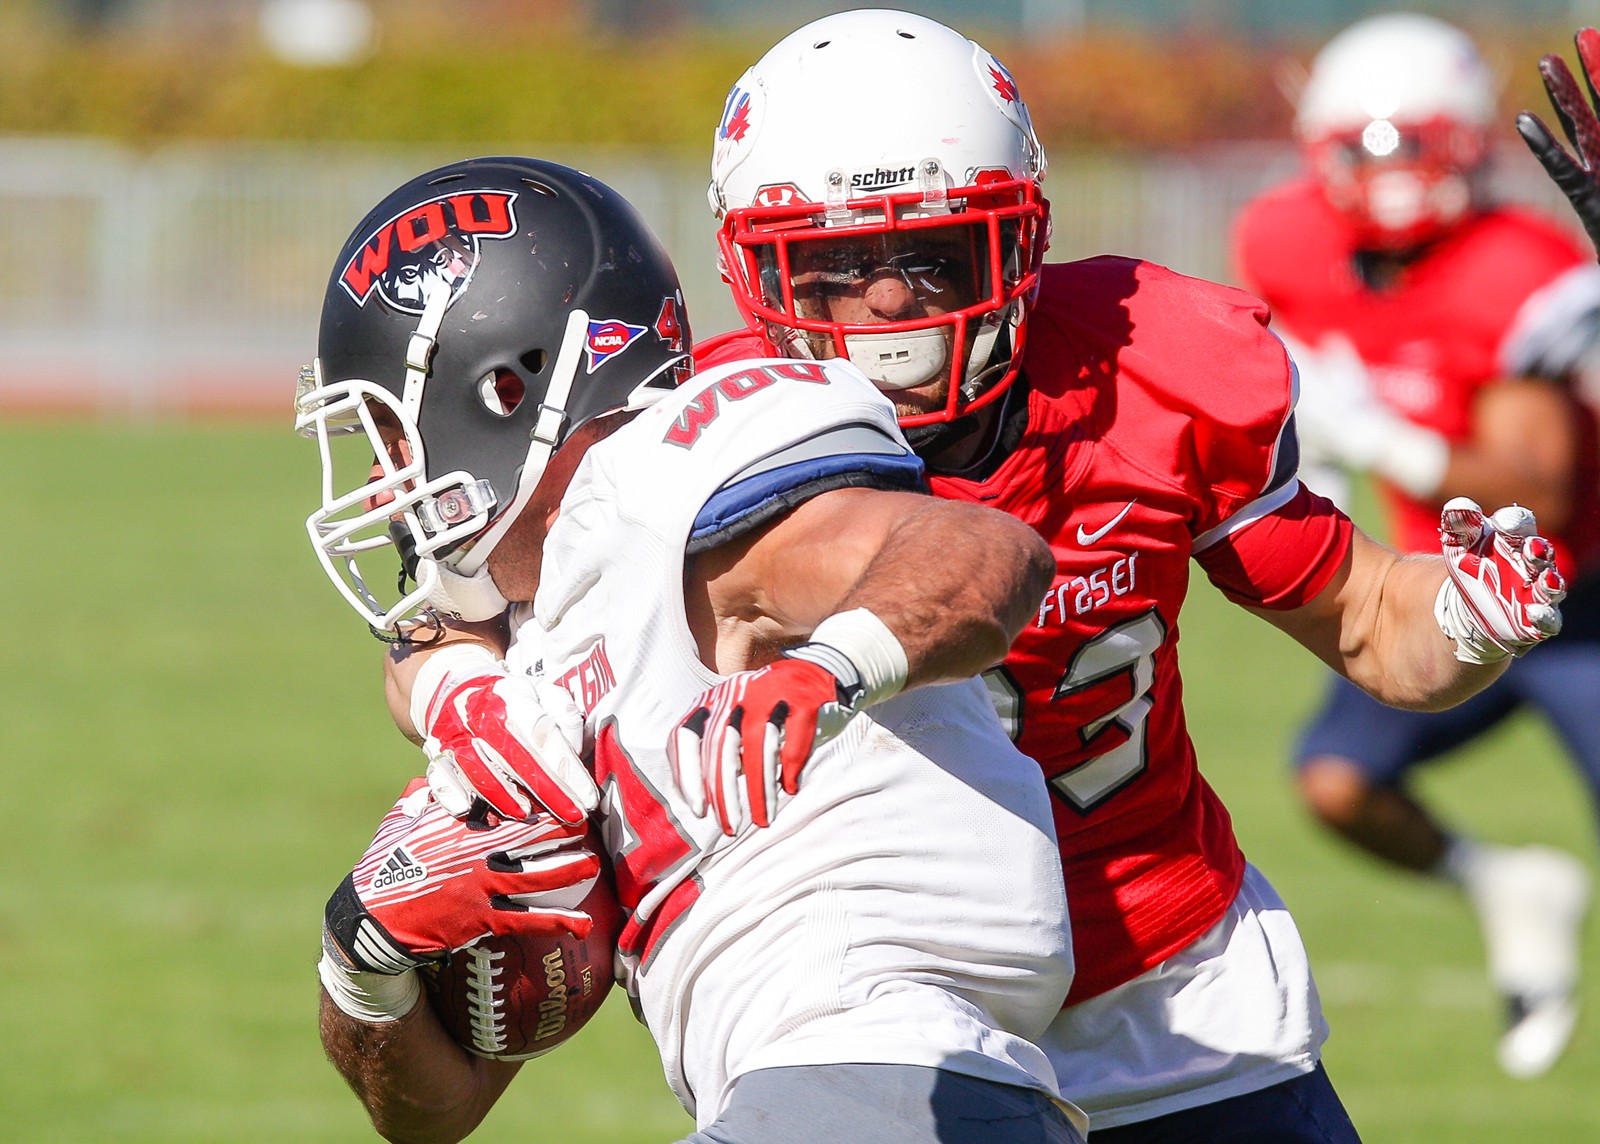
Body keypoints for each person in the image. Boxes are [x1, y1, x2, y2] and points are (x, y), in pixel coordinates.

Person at [687, 9, 1569, 1139]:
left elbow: (1366, 621)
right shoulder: (698, 442)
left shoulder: (1146, 372)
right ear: (754, 269)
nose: (890, 303)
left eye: (928, 252)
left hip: (1172, 991)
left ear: (1021, 237)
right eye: (836, 262)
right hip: (873, 1005)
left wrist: (1464, 615)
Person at [295, 155, 1087, 1143]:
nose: (380, 482)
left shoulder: (667, 486)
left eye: (389, 431)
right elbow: (432, 1115)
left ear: (503, 389)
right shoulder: (542, 646)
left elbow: (979, 550)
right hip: (829, 1095)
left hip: (881, 1063)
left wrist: (824, 669)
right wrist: (361, 961)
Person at [1230, 11, 1600, 1080]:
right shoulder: (1286, 239)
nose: (1390, 172)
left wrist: (1391, 436)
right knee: (1335, 779)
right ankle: (1503, 885)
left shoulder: (1518, 265)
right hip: (1451, 590)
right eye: (1364, 146)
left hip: (1576, 601)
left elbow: (1541, 482)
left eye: (1413, 143)